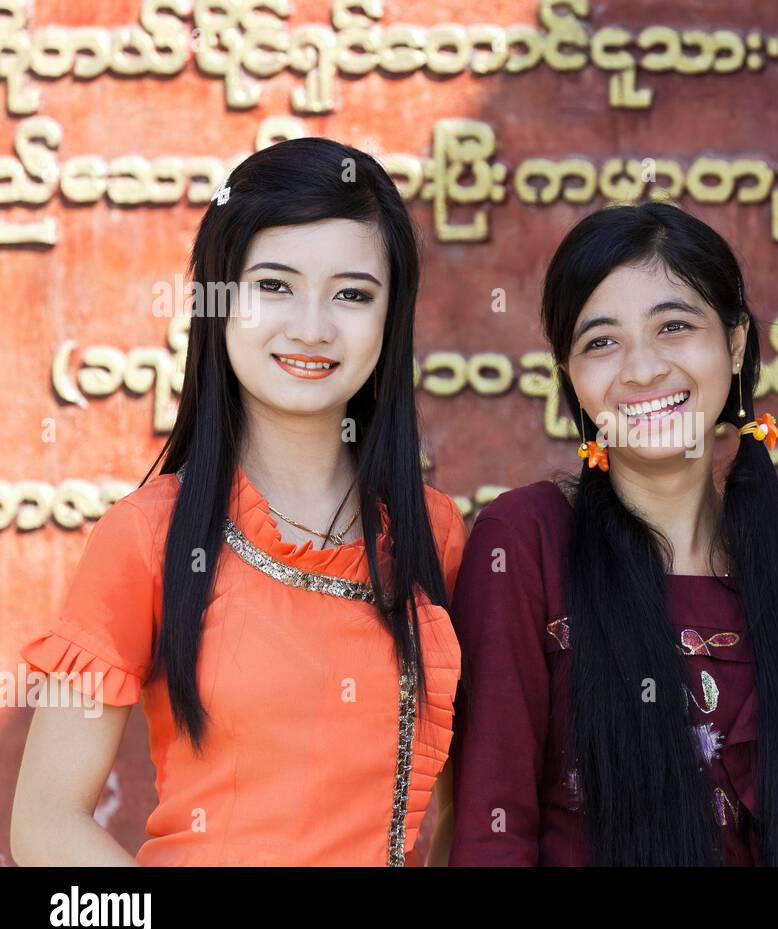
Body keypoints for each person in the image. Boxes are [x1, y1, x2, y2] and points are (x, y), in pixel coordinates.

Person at [12, 137, 464, 866]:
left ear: (392, 317)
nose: (312, 327)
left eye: (351, 294)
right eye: (274, 286)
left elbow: (458, 820)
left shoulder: (434, 535)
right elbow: (44, 823)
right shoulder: (146, 535)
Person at [447, 202, 778, 866]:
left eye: (674, 327)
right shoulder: (524, 541)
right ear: (569, 373)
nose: (643, 368)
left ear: (735, 344)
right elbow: (492, 837)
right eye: (601, 342)